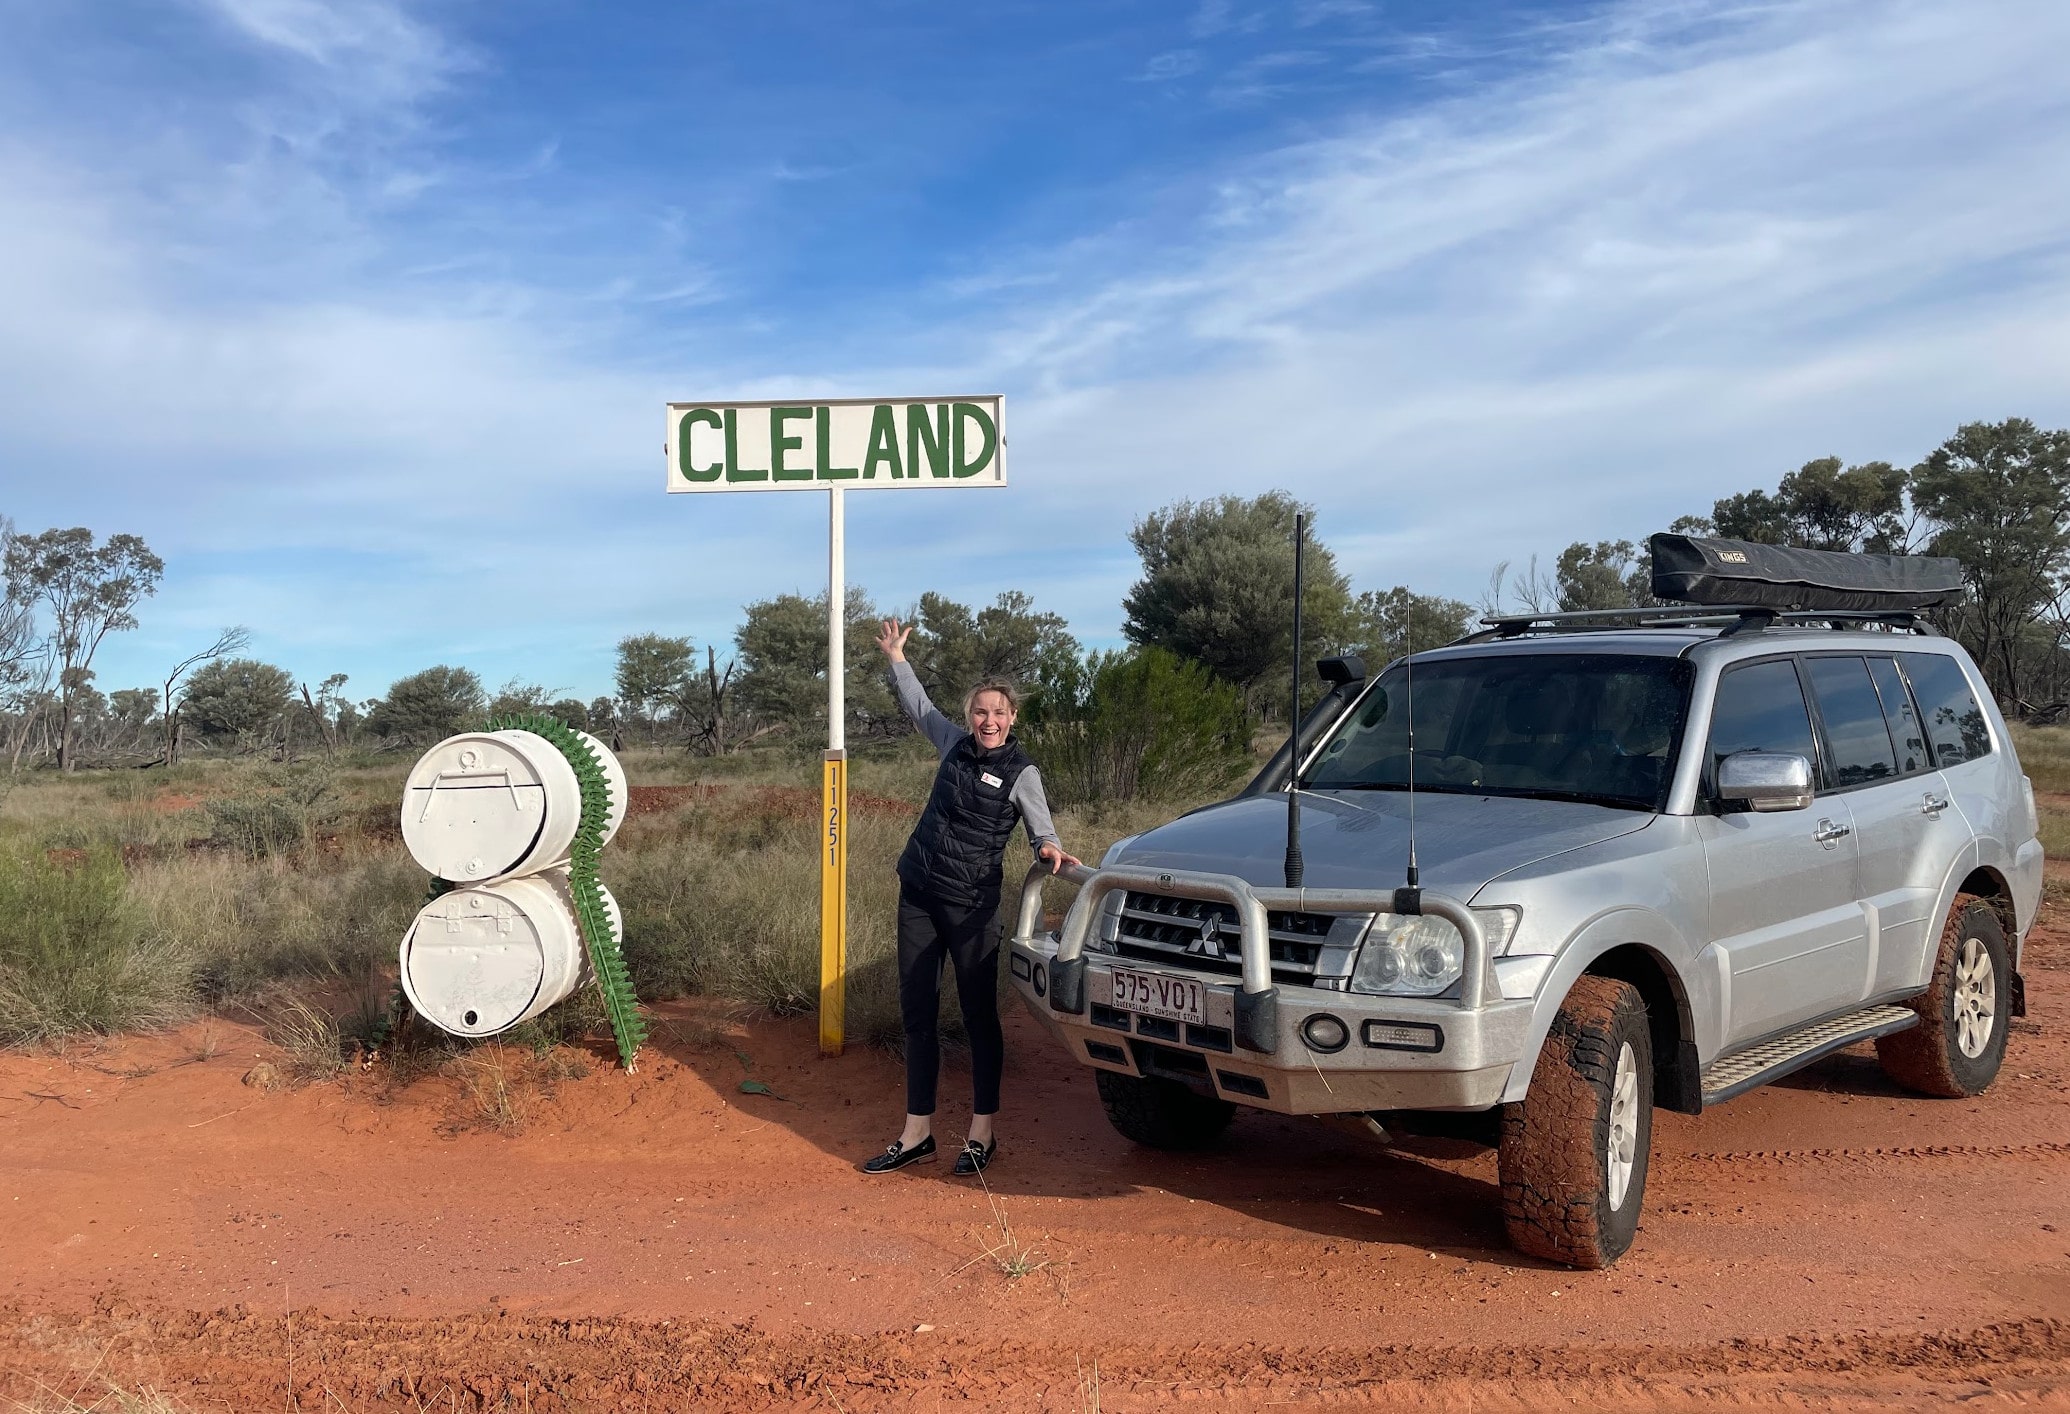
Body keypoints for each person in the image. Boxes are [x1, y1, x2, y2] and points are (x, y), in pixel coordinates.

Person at [862, 617, 1080, 1177]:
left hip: (972, 907)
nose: (988, 721)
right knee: (918, 1013)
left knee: (980, 1017)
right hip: (920, 893)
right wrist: (896, 657)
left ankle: (982, 1133)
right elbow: (918, 707)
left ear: (1012, 719)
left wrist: (1051, 851)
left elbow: (1042, 830)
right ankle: (917, 1133)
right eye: (980, 712)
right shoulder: (952, 744)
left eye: (998, 713)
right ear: (970, 718)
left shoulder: (1021, 771)